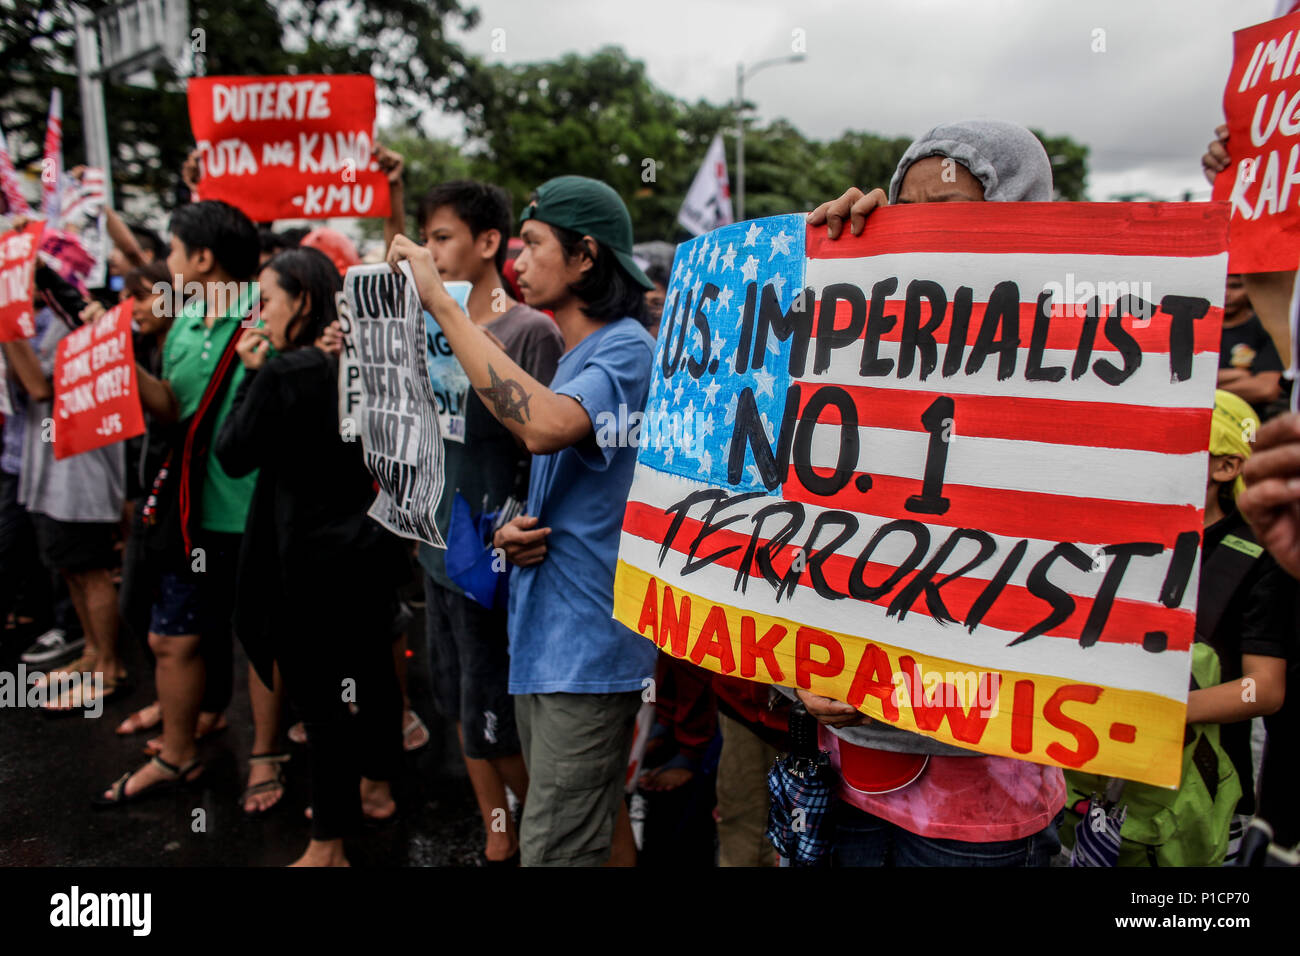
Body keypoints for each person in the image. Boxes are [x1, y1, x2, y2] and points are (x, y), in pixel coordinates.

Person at [797, 120, 1066, 866]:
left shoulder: (1068, 355)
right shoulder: (859, 338)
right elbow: (800, 519)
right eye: (907, 207)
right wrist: (828, 265)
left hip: (984, 787)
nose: (925, 228)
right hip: (856, 756)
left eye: (953, 205)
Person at [387, 174, 659, 866]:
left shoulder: (626, 348)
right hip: (546, 638)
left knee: (551, 848)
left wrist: (442, 306)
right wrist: (514, 526)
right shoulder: (572, 354)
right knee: (595, 827)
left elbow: (543, 428)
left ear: (587, 257)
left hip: (589, 649)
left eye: (534, 245)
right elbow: (565, 474)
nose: (517, 262)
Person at [215, 246, 406, 866]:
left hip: (303, 564)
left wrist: (250, 373)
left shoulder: (286, 372)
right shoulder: (366, 363)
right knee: (373, 676)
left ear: (300, 299)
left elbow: (233, 452)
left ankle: (327, 847)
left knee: (321, 706)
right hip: (371, 547)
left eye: (266, 301)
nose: (257, 316)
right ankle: (376, 789)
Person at [403, 177, 563, 864]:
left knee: (491, 712)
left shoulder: (530, 331)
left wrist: (524, 522)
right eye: (428, 238)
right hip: (434, 543)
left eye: (442, 238)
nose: (429, 253)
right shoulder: (425, 322)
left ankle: (546, 830)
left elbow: (548, 448)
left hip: (488, 556)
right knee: (457, 702)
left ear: (489, 243)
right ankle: (497, 827)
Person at [96, 199, 259, 805]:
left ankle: (264, 754)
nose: (167, 262)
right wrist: (120, 362)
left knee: (264, 645)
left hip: (253, 516)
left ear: (203, 257)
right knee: (174, 638)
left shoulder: (269, 318)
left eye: (172, 249)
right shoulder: (186, 321)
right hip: (191, 517)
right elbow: (171, 409)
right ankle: (181, 746)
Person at [1, 260, 128, 712]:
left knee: (90, 569)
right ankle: (92, 654)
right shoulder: (42, 320)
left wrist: (6, 323)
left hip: (79, 475)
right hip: (51, 473)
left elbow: (37, 386)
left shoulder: (76, 321)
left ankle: (110, 667)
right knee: (70, 569)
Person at [1218, 273, 1283, 418]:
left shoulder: (1267, 329)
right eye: (1220, 286)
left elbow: (1266, 390)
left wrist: (1205, 385)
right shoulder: (1193, 327)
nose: (1226, 294)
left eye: (1235, 286)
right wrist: (1238, 375)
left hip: (1250, 421)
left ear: (1250, 288)